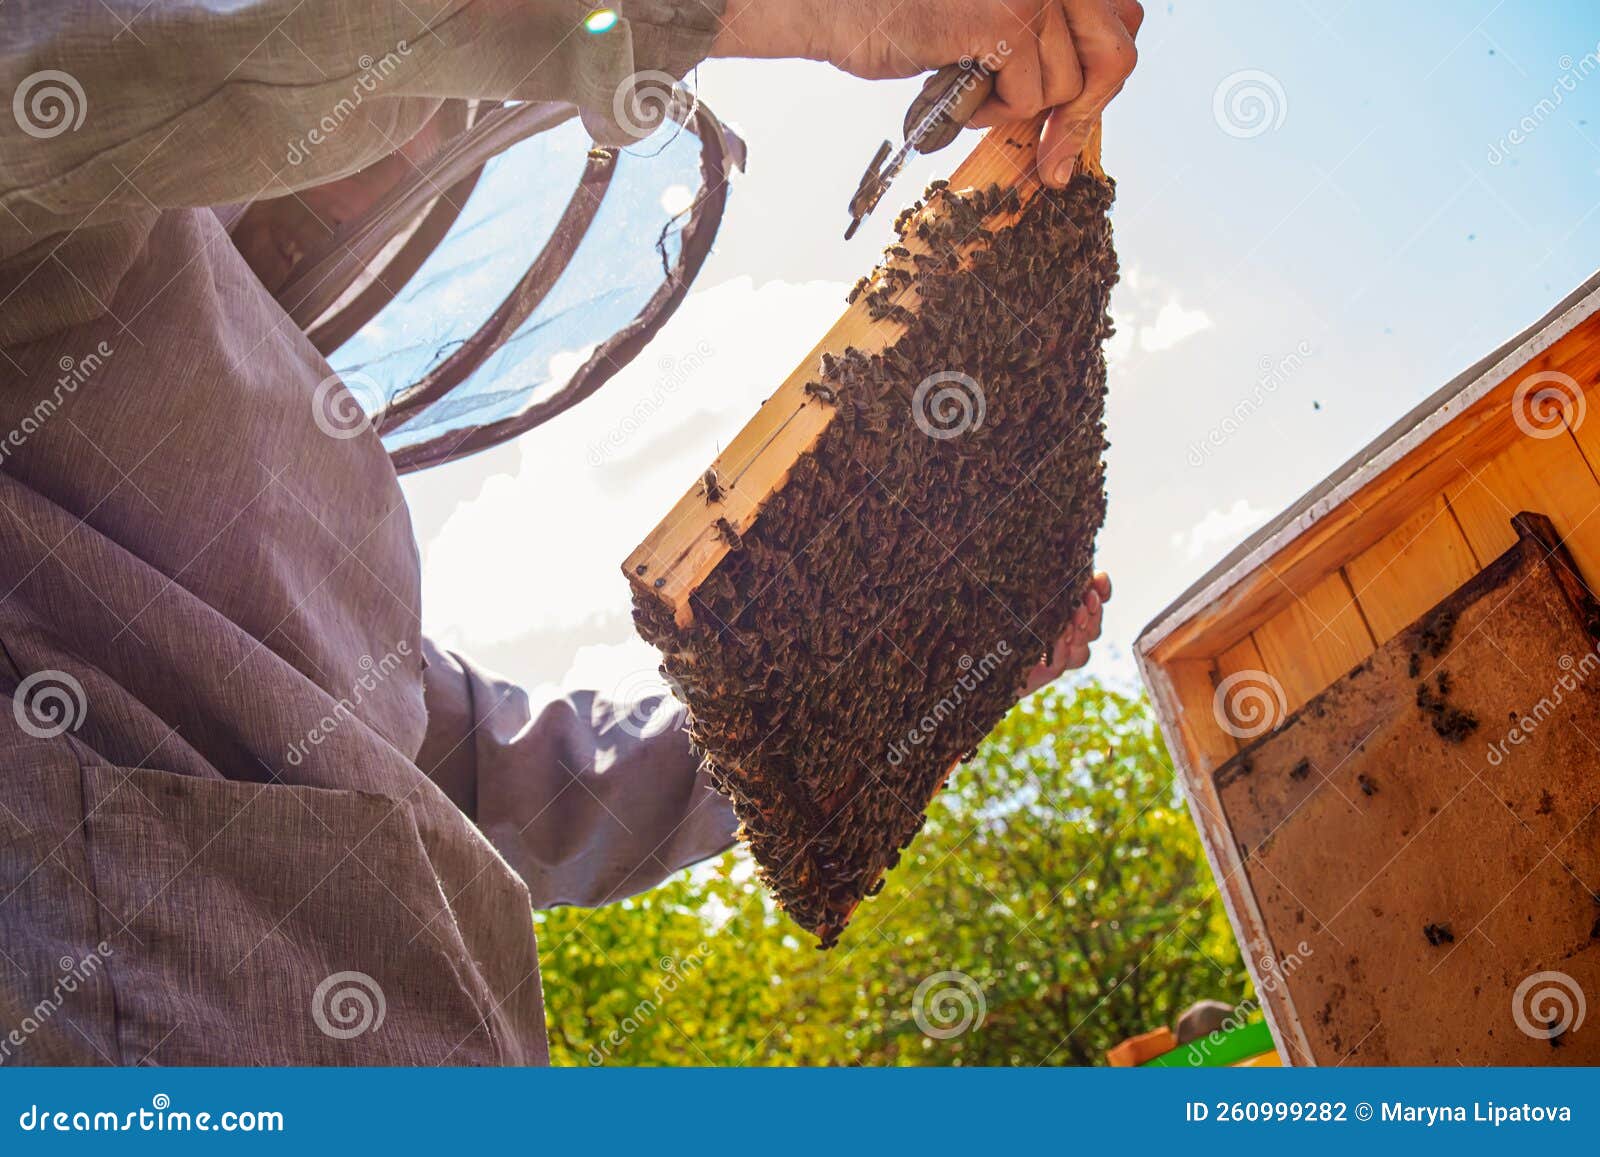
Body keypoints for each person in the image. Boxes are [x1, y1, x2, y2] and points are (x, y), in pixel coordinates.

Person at [0, 0, 1137, 1065]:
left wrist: (914, 671)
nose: (441, 116)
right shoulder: (57, 218)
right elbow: (145, 63)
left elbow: (517, 777)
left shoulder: (275, 455)